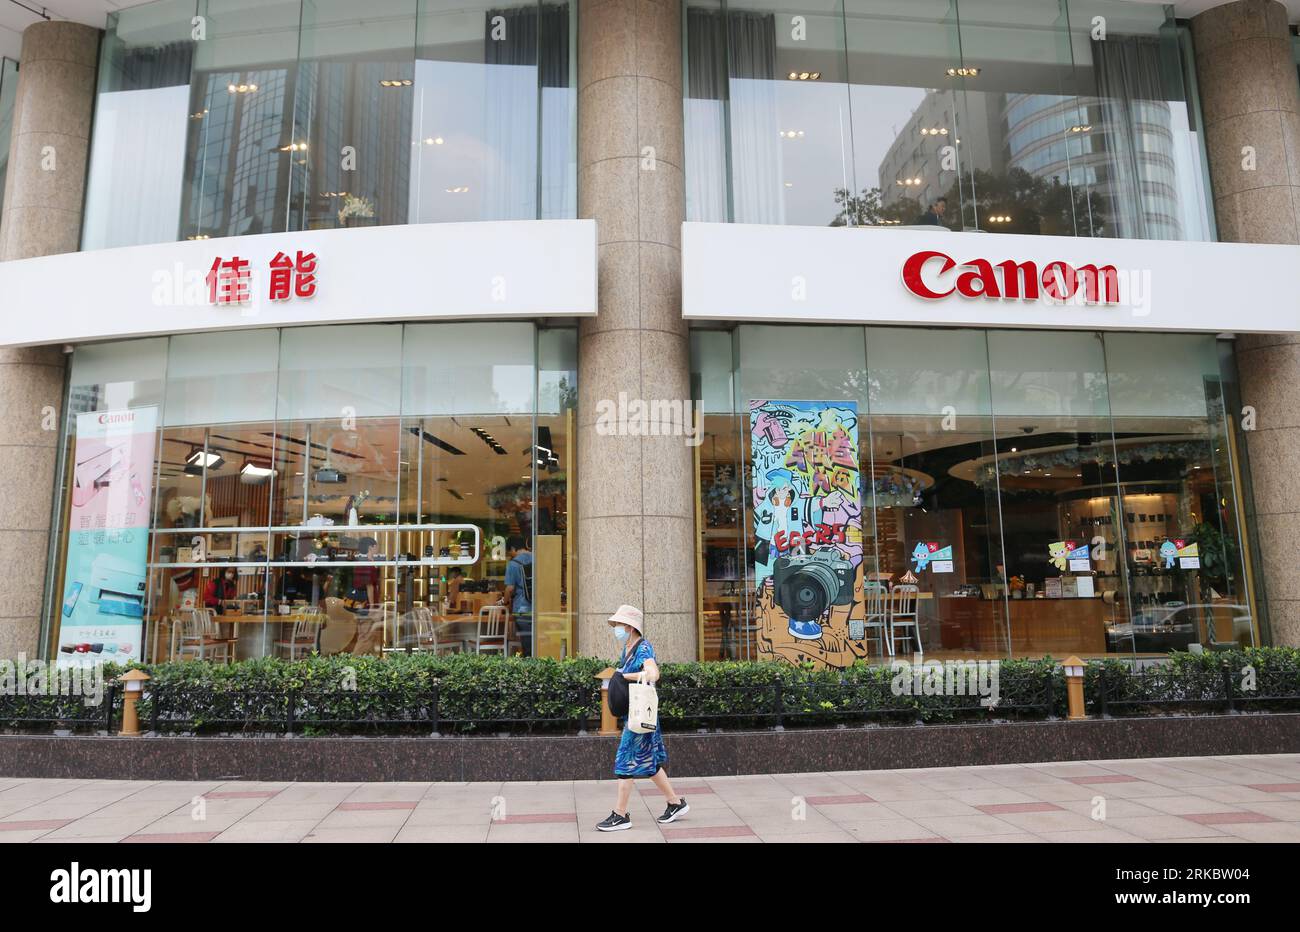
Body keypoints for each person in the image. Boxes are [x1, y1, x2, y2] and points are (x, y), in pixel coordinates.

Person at [595, 605, 690, 832]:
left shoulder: (643, 647)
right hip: (637, 715)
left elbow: (653, 673)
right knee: (650, 764)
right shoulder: (628, 648)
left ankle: (620, 815)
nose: (616, 628)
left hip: (640, 717)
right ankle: (675, 803)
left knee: (624, 760)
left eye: (619, 624)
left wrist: (626, 675)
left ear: (629, 627)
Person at [501, 535, 533, 656]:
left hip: (522, 609)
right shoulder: (537, 558)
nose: (510, 554)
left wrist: (505, 601)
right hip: (538, 608)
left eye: (510, 551)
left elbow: (510, 588)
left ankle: (529, 667)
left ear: (513, 548)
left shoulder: (513, 564)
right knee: (537, 641)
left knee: (526, 643)